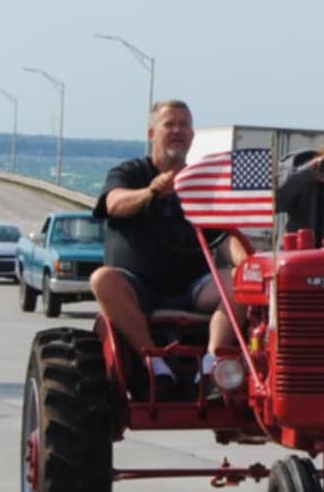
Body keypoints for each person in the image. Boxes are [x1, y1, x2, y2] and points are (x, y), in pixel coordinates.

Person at [90, 101, 244, 400]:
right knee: (102, 279)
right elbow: (114, 204)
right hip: (137, 285)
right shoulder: (130, 172)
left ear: (192, 134)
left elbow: (225, 237)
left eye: (184, 125)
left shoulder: (201, 181)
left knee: (242, 281)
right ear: (152, 132)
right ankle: (155, 365)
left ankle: (212, 365)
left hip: (193, 286)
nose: (177, 131)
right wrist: (152, 191)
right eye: (169, 124)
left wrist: (250, 263)